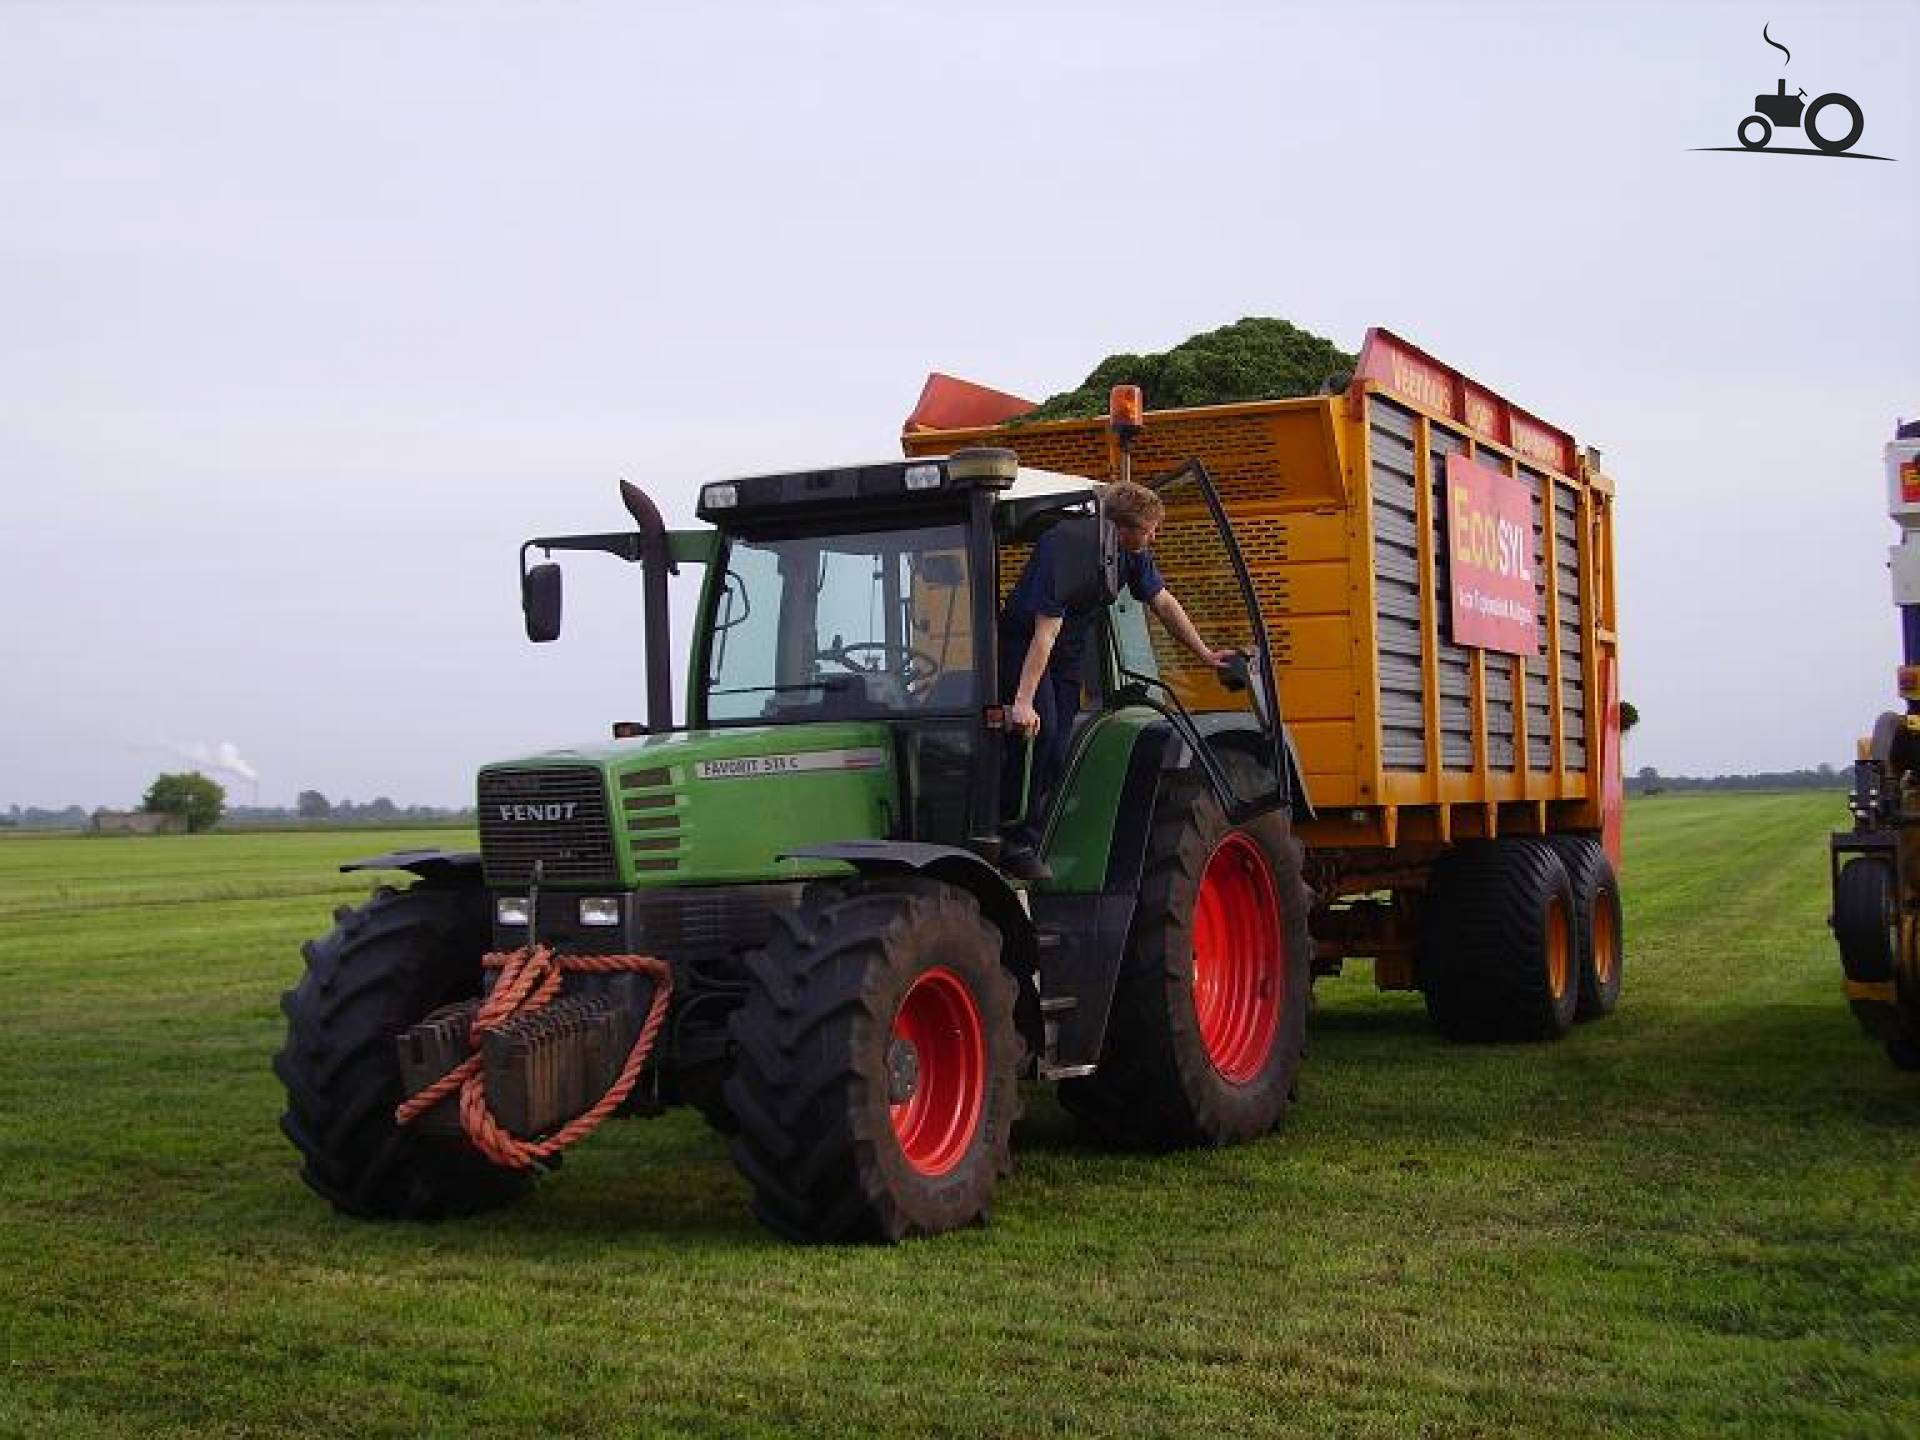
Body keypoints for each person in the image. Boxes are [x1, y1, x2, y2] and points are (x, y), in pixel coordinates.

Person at [997, 480, 1233, 882]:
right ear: (1122, 528)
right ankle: (1013, 839)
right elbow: (1043, 635)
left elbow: (1163, 603)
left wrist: (1205, 653)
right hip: (1027, 641)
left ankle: (1034, 832)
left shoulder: (1131, 553)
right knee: (1042, 728)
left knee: (1060, 742)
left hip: (1069, 647)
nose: (1153, 536)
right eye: (1149, 529)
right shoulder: (1066, 549)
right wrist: (1022, 701)